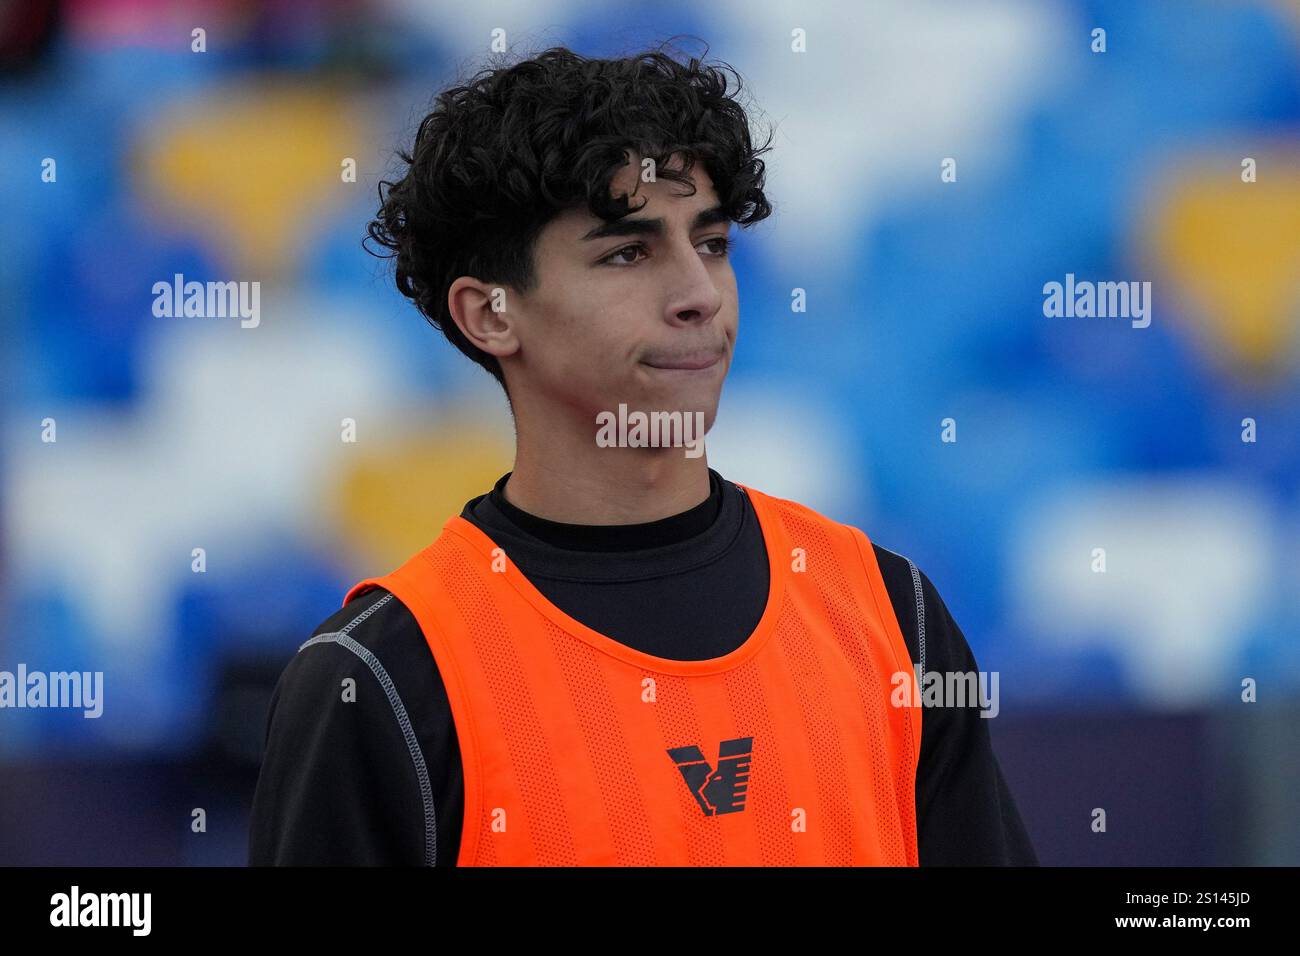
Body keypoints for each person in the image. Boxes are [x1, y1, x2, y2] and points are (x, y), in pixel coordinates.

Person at [249, 44, 1037, 867]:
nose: (699, 292)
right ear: (490, 315)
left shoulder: (889, 613)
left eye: (714, 243)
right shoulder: (378, 678)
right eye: (628, 253)